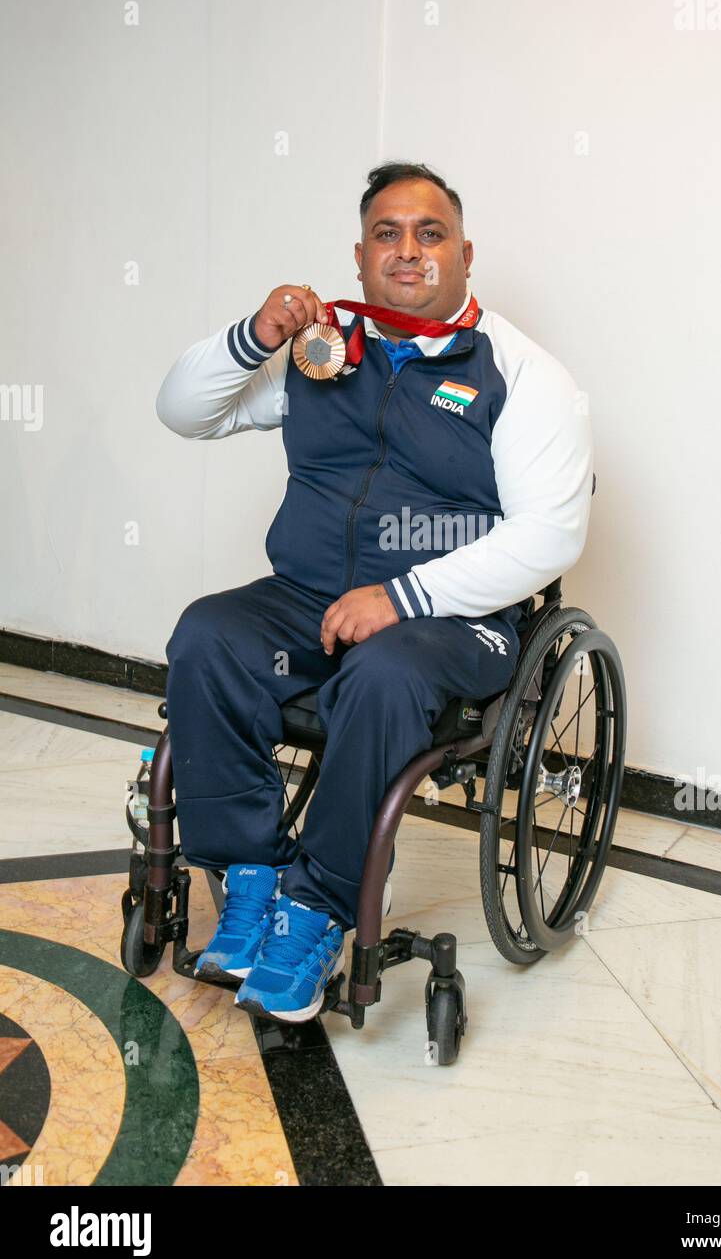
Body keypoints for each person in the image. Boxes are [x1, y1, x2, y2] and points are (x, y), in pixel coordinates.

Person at [155, 160, 593, 1022]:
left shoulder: (523, 373)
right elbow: (183, 410)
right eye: (387, 234)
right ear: (359, 256)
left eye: (429, 234)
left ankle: (320, 905)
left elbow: (551, 533)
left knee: (384, 674)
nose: (408, 250)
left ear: (465, 253)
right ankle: (252, 877)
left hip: (456, 621)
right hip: (310, 598)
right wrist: (254, 333)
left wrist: (404, 599)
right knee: (207, 632)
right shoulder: (324, 352)